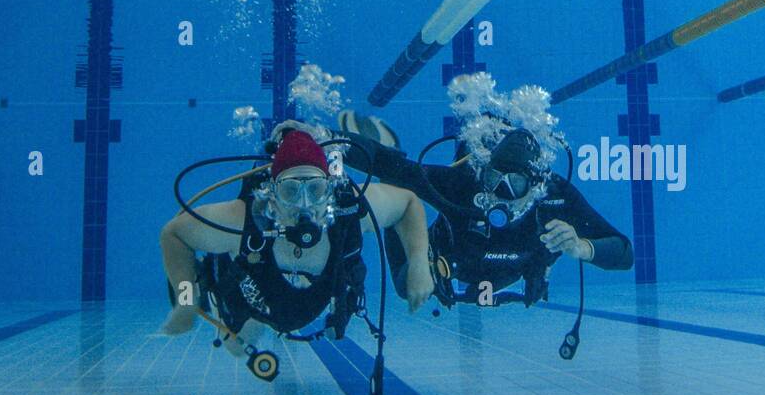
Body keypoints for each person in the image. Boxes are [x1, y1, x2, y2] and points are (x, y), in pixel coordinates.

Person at [160, 122, 433, 359]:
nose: (305, 204)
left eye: (315, 189)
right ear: (272, 193)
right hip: (254, 296)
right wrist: (186, 300)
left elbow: (408, 203)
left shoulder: (350, 211)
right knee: (237, 348)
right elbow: (174, 234)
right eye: (291, 191)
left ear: (329, 189)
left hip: (317, 295)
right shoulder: (240, 219)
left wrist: (419, 263)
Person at [338, 112, 633, 313]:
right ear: (484, 171)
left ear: (534, 184)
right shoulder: (463, 183)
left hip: (511, 272)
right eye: (494, 178)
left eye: (515, 183)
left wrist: (583, 247)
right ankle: (390, 163)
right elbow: (391, 165)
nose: (500, 192)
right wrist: (325, 138)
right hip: (450, 260)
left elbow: (624, 252)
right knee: (407, 288)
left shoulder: (553, 196)